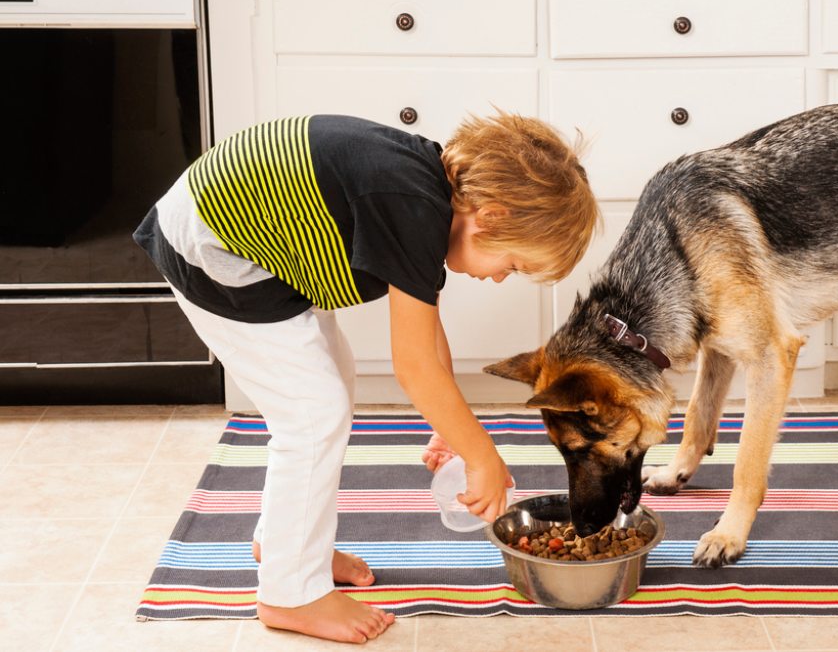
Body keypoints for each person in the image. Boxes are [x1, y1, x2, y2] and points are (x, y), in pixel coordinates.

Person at [134, 112, 598, 643]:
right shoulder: (414, 206)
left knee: (331, 384)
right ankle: (290, 594)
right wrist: (481, 455)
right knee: (312, 415)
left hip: (258, 248)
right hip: (213, 248)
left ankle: (286, 543)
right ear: (489, 217)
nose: (497, 277)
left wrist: (448, 423)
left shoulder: (427, 195)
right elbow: (414, 365)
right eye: (511, 264)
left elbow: (426, 333)